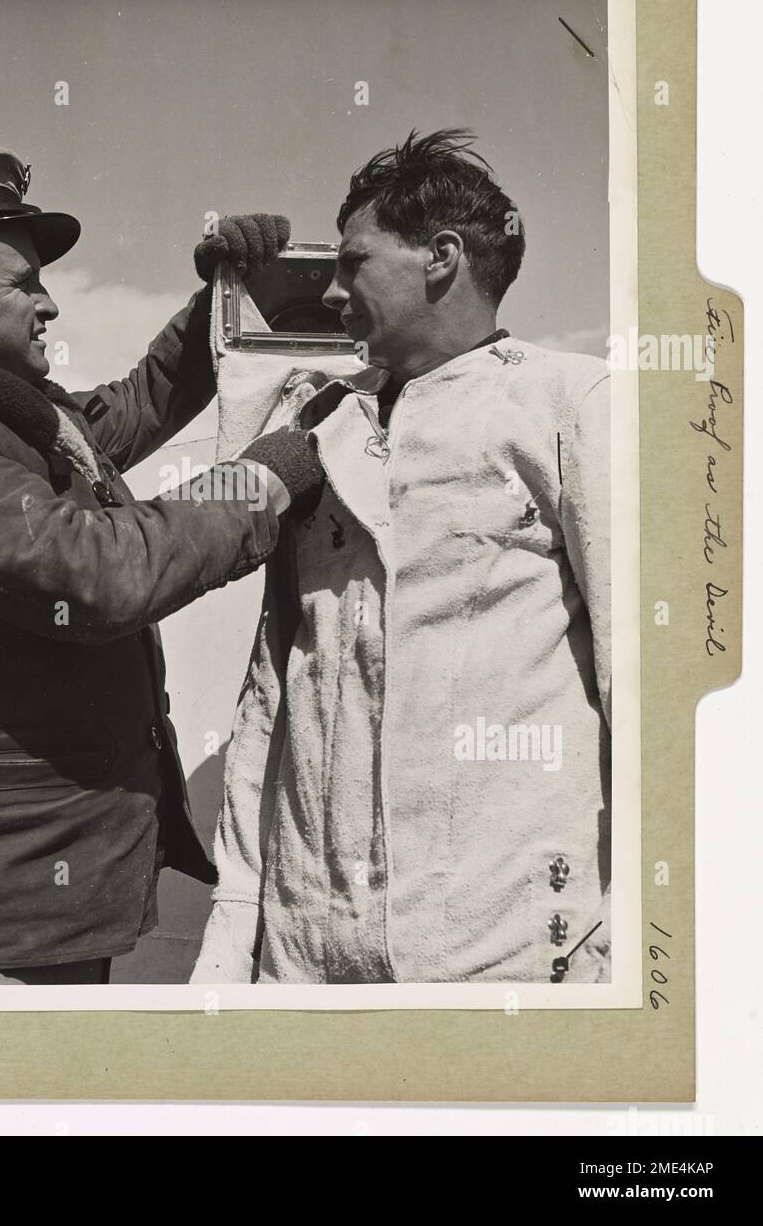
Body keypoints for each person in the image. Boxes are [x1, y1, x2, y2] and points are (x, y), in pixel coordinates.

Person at [0, 149, 325, 986]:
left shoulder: (12, 414)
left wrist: (220, 301)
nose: (50, 303)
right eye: (23, 285)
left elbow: (133, 407)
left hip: (38, 904)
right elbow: (100, 574)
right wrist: (260, 479)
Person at [193, 129, 612, 985]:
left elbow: (640, 675)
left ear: (441, 257)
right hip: (306, 949)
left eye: (354, 262)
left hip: (509, 946)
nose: (334, 289)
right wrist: (237, 918)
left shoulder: (569, 400)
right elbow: (269, 690)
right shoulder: (316, 427)